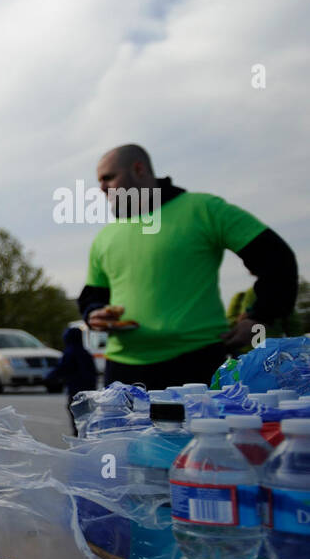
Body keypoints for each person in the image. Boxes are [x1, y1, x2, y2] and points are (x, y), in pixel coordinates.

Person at [79, 144, 298, 390]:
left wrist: (260, 317)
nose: (102, 188)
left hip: (196, 363)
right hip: (122, 370)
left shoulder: (204, 209)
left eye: (109, 178)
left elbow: (277, 258)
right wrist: (94, 313)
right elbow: (93, 296)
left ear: (139, 170)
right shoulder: (106, 236)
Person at [46, 326, 99, 434]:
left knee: (76, 416)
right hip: (89, 389)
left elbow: (63, 368)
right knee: (87, 416)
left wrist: (49, 377)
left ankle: (79, 437)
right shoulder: (86, 353)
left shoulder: (70, 352)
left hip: (75, 389)